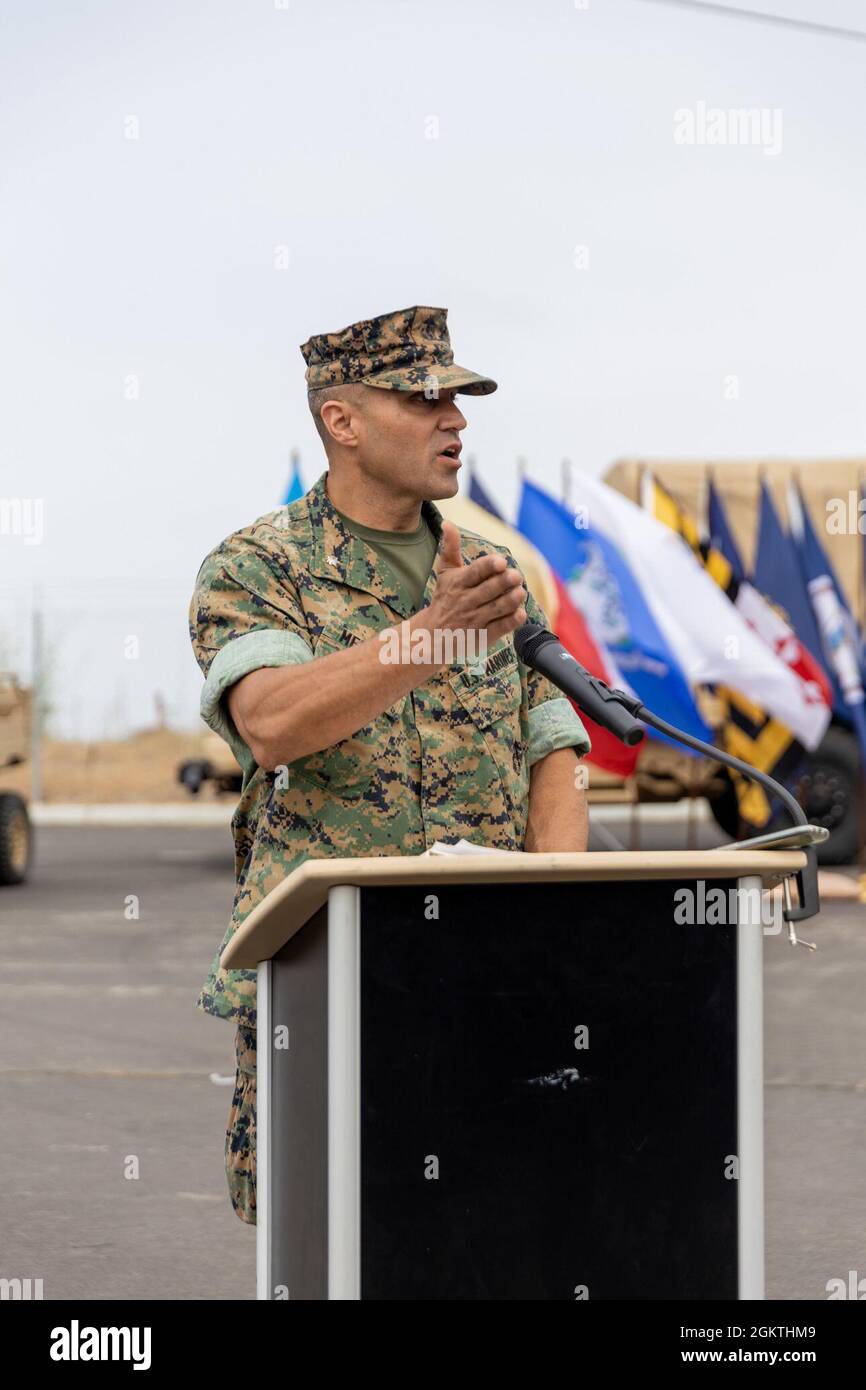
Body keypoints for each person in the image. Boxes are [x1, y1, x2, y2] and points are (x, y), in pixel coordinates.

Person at [188, 304, 591, 1225]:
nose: (455, 418)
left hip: (487, 972)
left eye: (458, 399)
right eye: (425, 398)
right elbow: (273, 724)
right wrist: (430, 637)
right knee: (331, 1230)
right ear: (343, 422)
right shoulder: (257, 567)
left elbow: (555, 746)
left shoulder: (489, 567)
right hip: (328, 977)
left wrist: (555, 907)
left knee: (494, 1231)